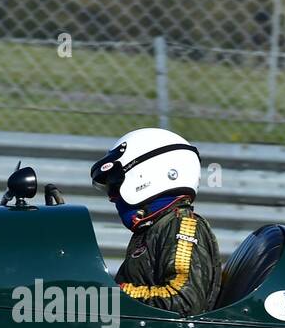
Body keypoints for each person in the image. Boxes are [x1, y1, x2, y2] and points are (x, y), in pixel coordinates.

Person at [89, 128, 222, 317]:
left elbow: (184, 300)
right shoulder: (154, 229)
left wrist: (116, 294)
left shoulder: (182, 225)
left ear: (150, 173)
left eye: (116, 184)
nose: (112, 197)